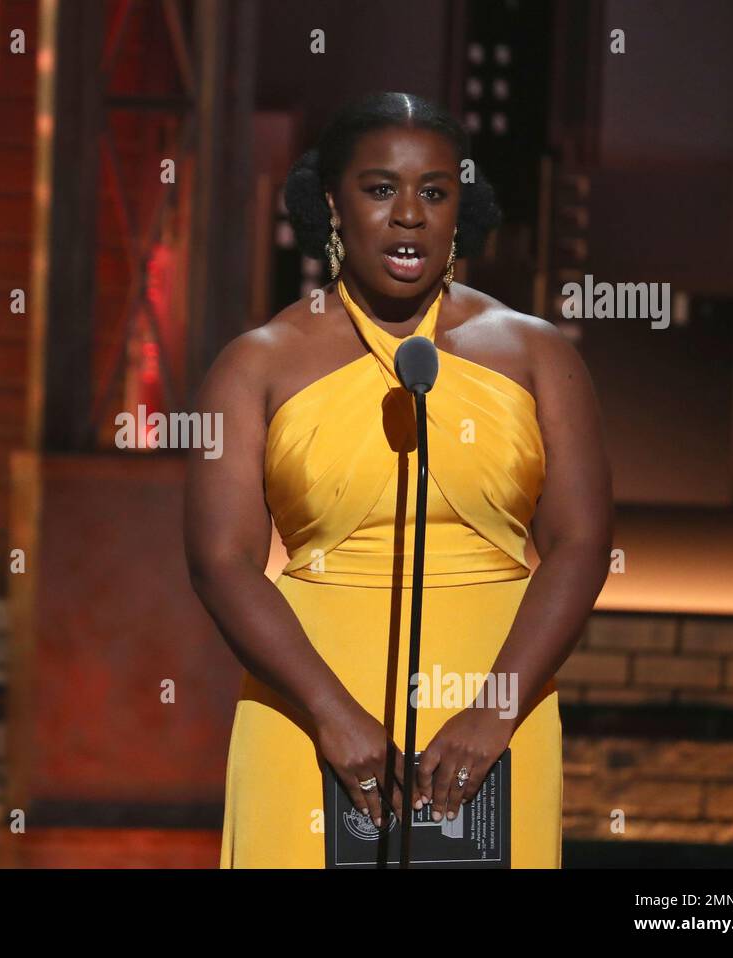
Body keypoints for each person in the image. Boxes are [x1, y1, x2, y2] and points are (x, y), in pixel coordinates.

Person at [184, 91, 613, 868]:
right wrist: (333, 716)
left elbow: (582, 543)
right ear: (331, 204)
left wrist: (494, 711)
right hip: (307, 709)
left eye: (435, 192)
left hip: (497, 714)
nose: (410, 214)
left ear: (460, 206)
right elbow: (222, 559)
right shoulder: (258, 363)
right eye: (380, 189)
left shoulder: (537, 353)